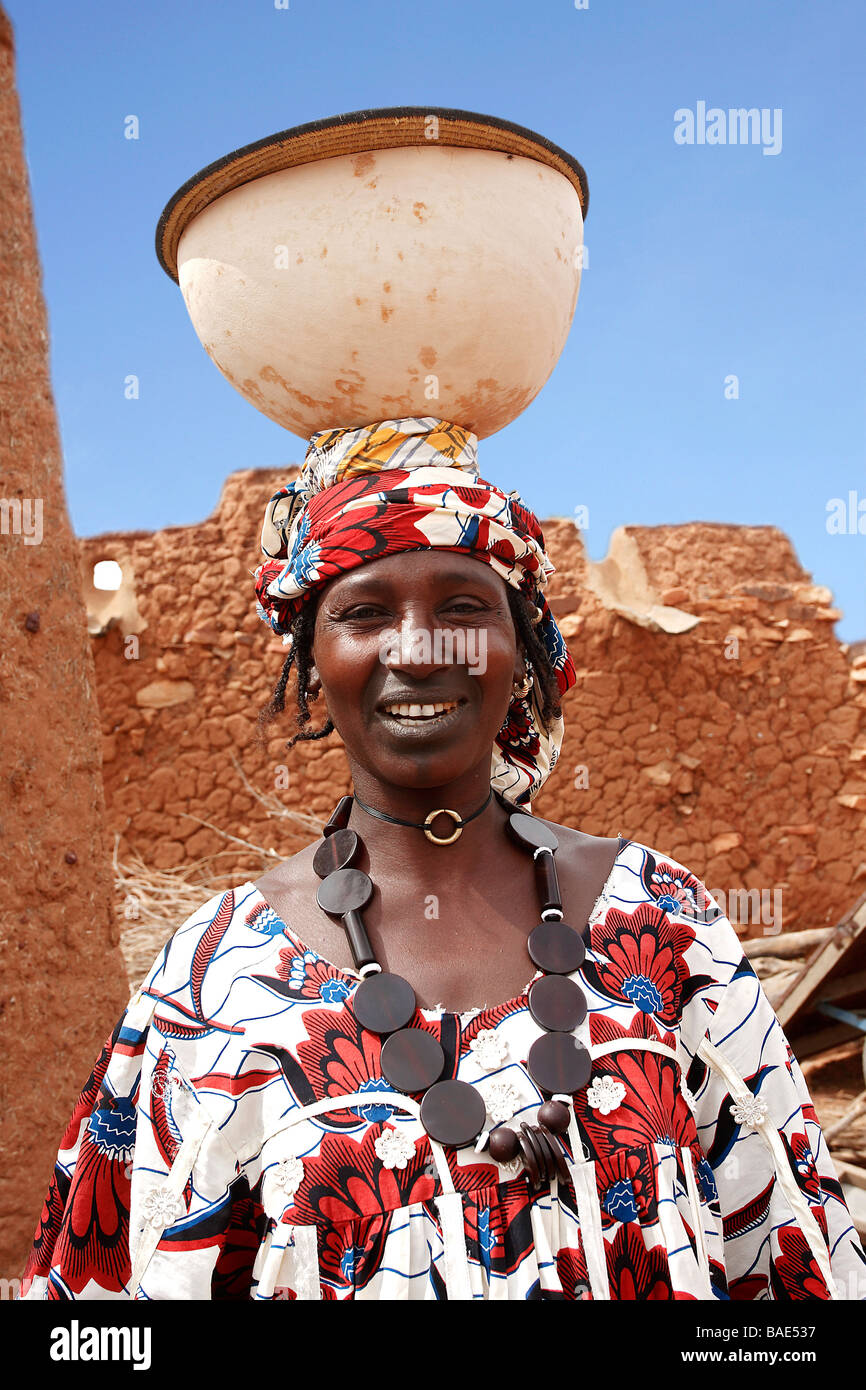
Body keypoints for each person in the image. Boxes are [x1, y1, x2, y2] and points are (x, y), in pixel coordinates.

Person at [20, 418, 866, 1300]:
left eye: (464, 608)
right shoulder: (211, 983)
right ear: (313, 660)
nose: (419, 649)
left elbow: (801, 1270)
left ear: (523, 650)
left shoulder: (663, 924)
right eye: (365, 613)